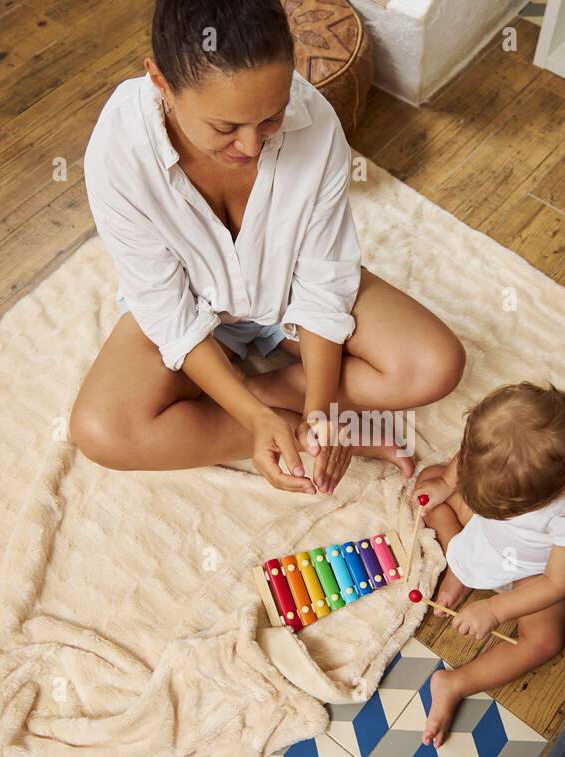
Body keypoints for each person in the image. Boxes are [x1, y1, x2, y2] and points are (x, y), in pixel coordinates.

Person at [72, 0, 464, 495]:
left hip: (289, 299)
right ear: (161, 83)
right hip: (197, 308)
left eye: (271, 119)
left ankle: (266, 412)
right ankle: (266, 419)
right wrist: (255, 420)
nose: (253, 146)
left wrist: (321, 416)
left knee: (434, 364)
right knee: (102, 431)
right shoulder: (118, 150)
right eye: (225, 128)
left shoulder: (316, 124)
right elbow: (168, 314)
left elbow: (324, 281)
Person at [413, 382, 565, 746]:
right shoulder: (501, 438)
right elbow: (470, 455)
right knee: (427, 486)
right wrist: (445, 481)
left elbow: (556, 583)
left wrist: (495, 608)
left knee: (544, 642)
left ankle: (454, 683)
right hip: (490, 533)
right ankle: (463, 567)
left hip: (532, 569)